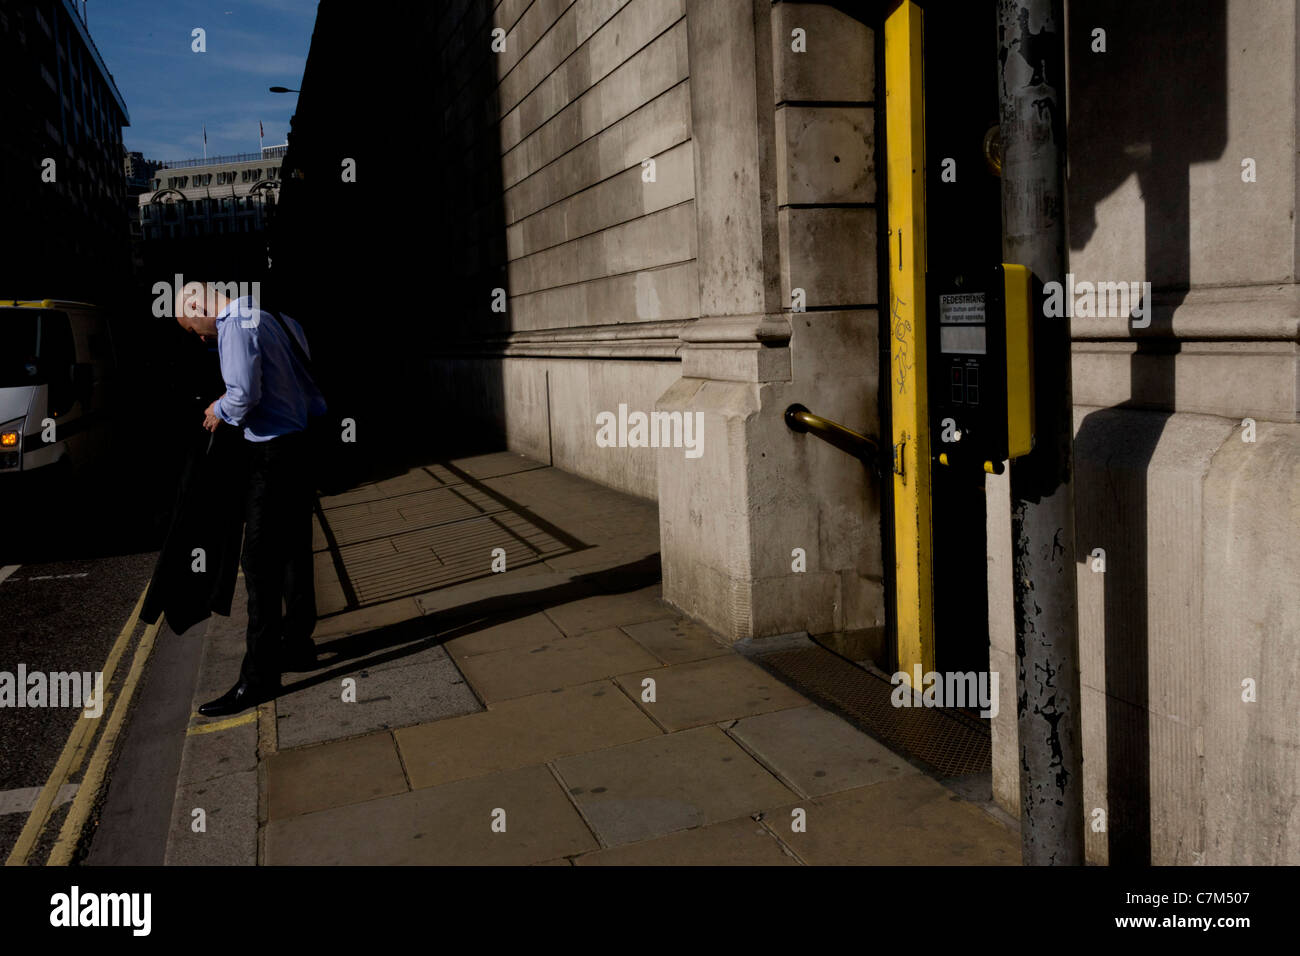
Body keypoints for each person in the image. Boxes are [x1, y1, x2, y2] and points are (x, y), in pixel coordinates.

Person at [174, 282, 326, 717]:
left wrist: (217, 409)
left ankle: (257, 679)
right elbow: (300, 384)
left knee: (258, 564)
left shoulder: (235, 326)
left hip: (272, 455)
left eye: (194, 329)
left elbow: (244, 395)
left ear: (199, 305)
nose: (202, 338)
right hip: (300, 446)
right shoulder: (280, 320)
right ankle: (298, 645)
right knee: (297, 549)